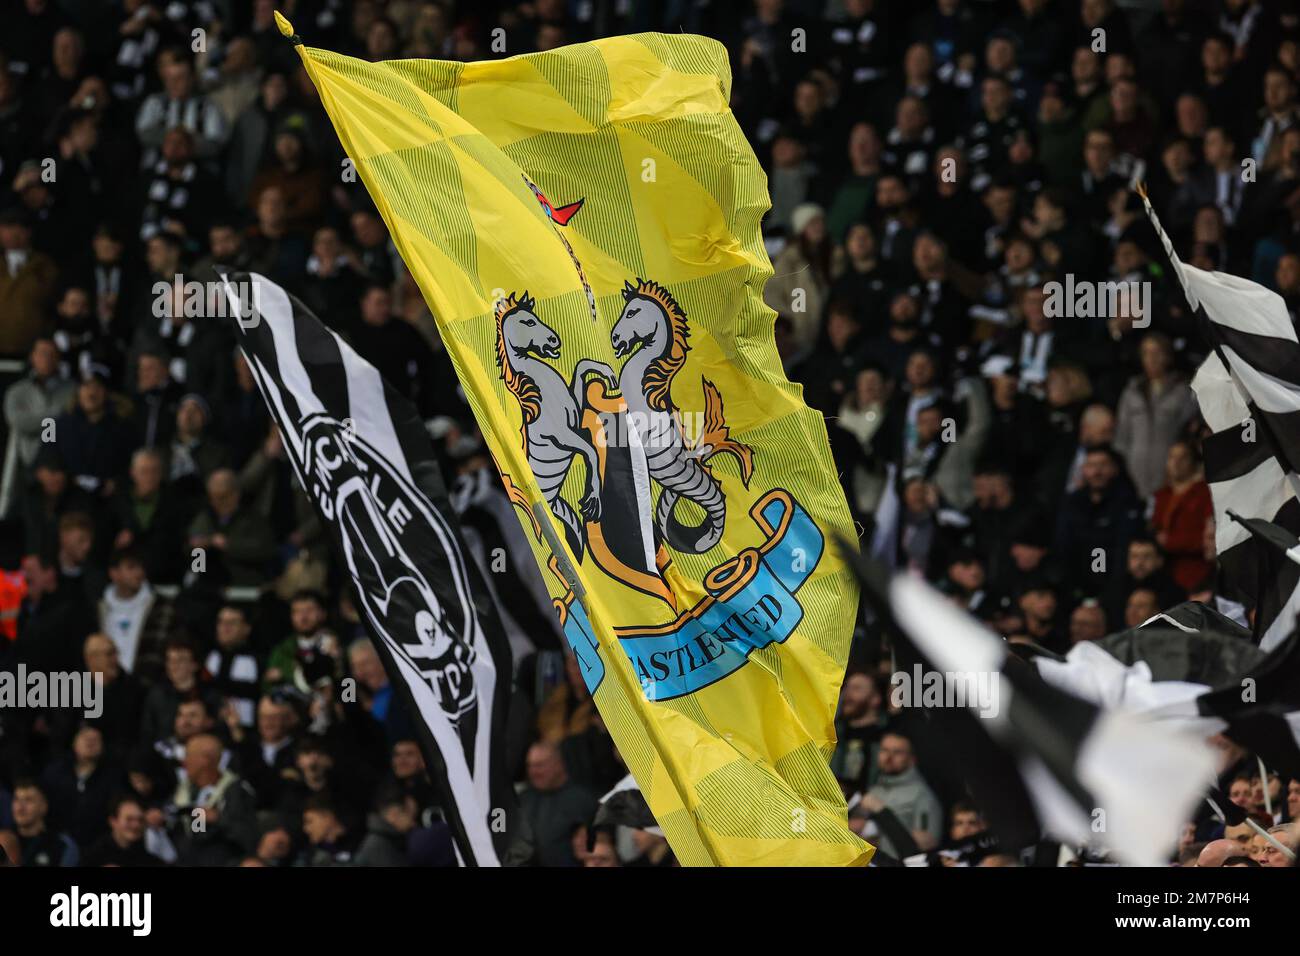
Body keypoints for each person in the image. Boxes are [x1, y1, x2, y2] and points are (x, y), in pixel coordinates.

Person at [518, 742, 596, 867]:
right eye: (530, 766)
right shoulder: (523, 799)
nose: (533, 772)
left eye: (539, 765)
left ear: (558, 764)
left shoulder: (582, 800)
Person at [82, 795, 166, 866]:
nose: (136, 825)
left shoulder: (150, 860)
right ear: (113, 821)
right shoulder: (94, 855)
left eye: (140, 820)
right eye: (129, 819)